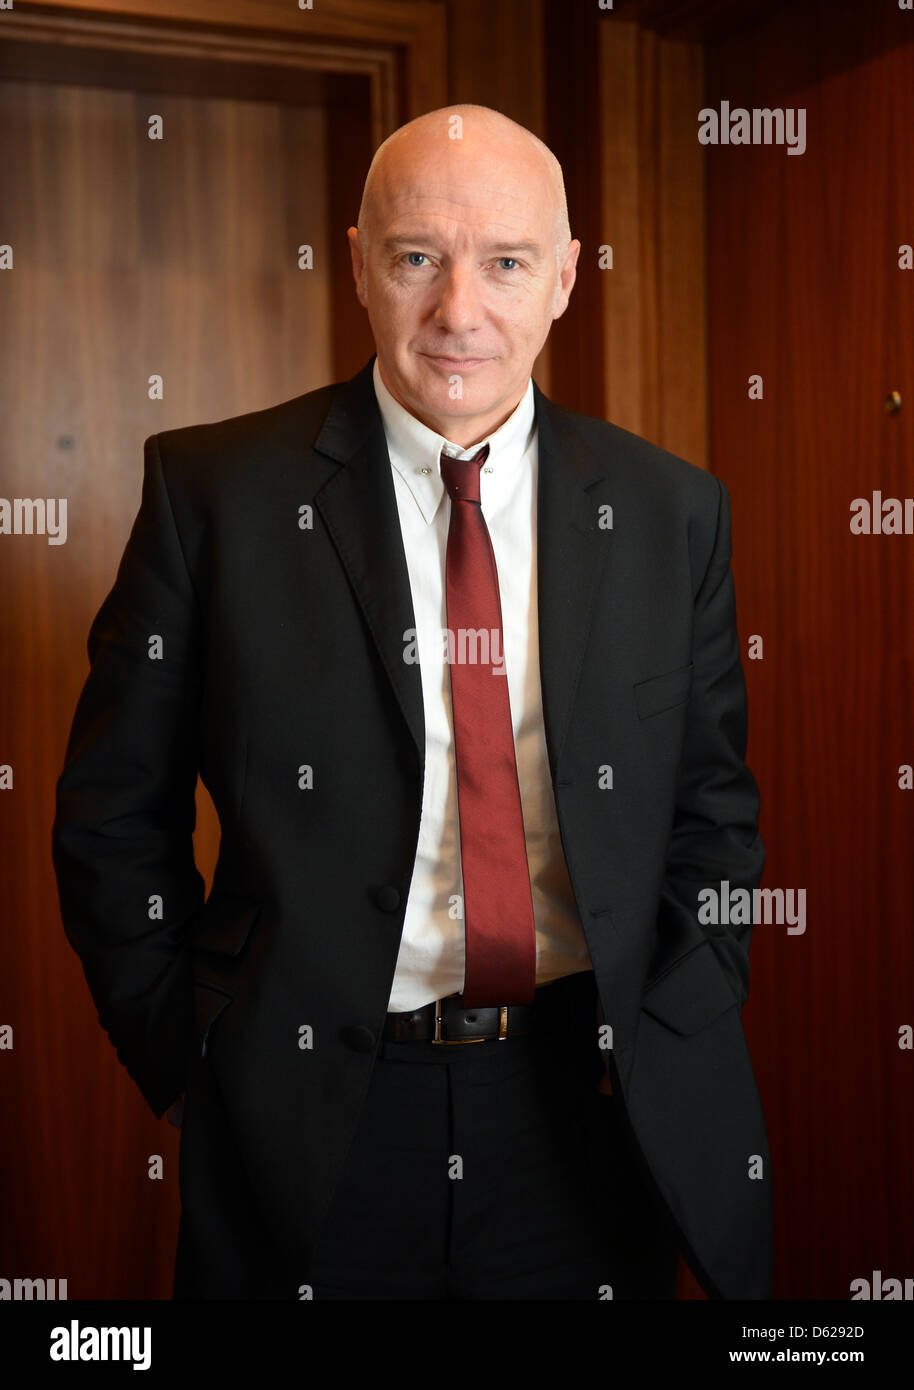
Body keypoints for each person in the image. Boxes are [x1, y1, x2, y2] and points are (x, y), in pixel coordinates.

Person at [52, 103, 771, 1300]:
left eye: (504, 262)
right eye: (416, 258)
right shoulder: (213, 493)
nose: (458, 313)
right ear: (356, 265)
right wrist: (190, 1057)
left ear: (564, 279)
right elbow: (111, 813)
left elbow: (714, 815)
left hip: (585, 1110)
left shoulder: (669, 512)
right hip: (309, 1114)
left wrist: (675, 1024)